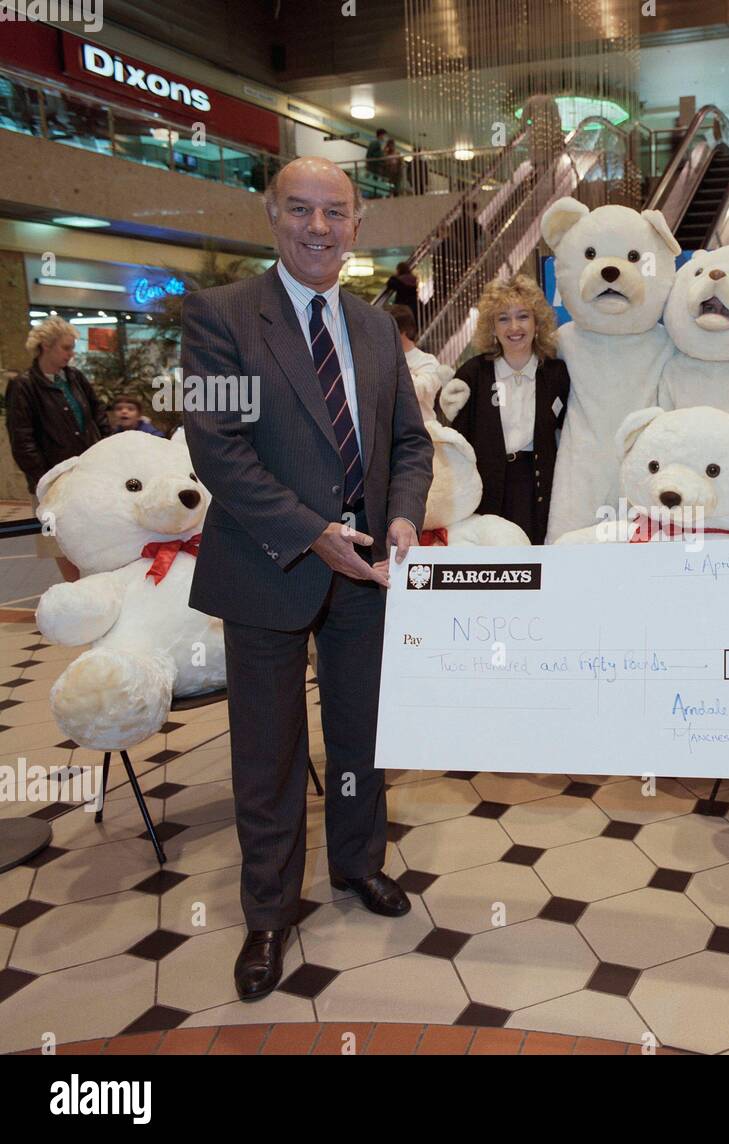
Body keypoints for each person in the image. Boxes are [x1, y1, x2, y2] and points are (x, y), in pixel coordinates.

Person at [181, 156, 433, 1002]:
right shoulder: (220, 317)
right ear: (271, 215)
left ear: (358, 224)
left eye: (335, 211)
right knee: (269, 751)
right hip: (266, 569)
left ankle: (359, 863)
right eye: (300, 210)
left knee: (363, 736)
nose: (318, 227)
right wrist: (310, 531)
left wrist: (400, 516)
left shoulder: (374, 326)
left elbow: (409, 444)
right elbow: (219, 448)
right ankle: (267, 910)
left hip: (363, 573)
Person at [442, 274, 568, 545]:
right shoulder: (473, 373)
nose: (514, 327)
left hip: (541, 488)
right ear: (492, 327)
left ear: (537, 322)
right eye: (503, 318)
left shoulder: (556, 373)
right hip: (489, 488)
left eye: (523, 316)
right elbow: (457, 445)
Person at [6, 315, 112, 583]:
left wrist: (107, 449)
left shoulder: (74, 378)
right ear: (46, 346)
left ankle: (95, 588)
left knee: (91, 533)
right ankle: (75, 590)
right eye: (66, 348)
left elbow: (97, 413)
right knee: (57, 538)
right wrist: (45, 479)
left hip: (85, 474)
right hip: (51, 481)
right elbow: (22, 438)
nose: (71, 354)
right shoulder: (24, 385)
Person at [385, 303, 444, 421]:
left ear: (402, 331)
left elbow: (415, 392)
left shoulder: (428, 361)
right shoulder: (381, 359)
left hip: (423, 431)